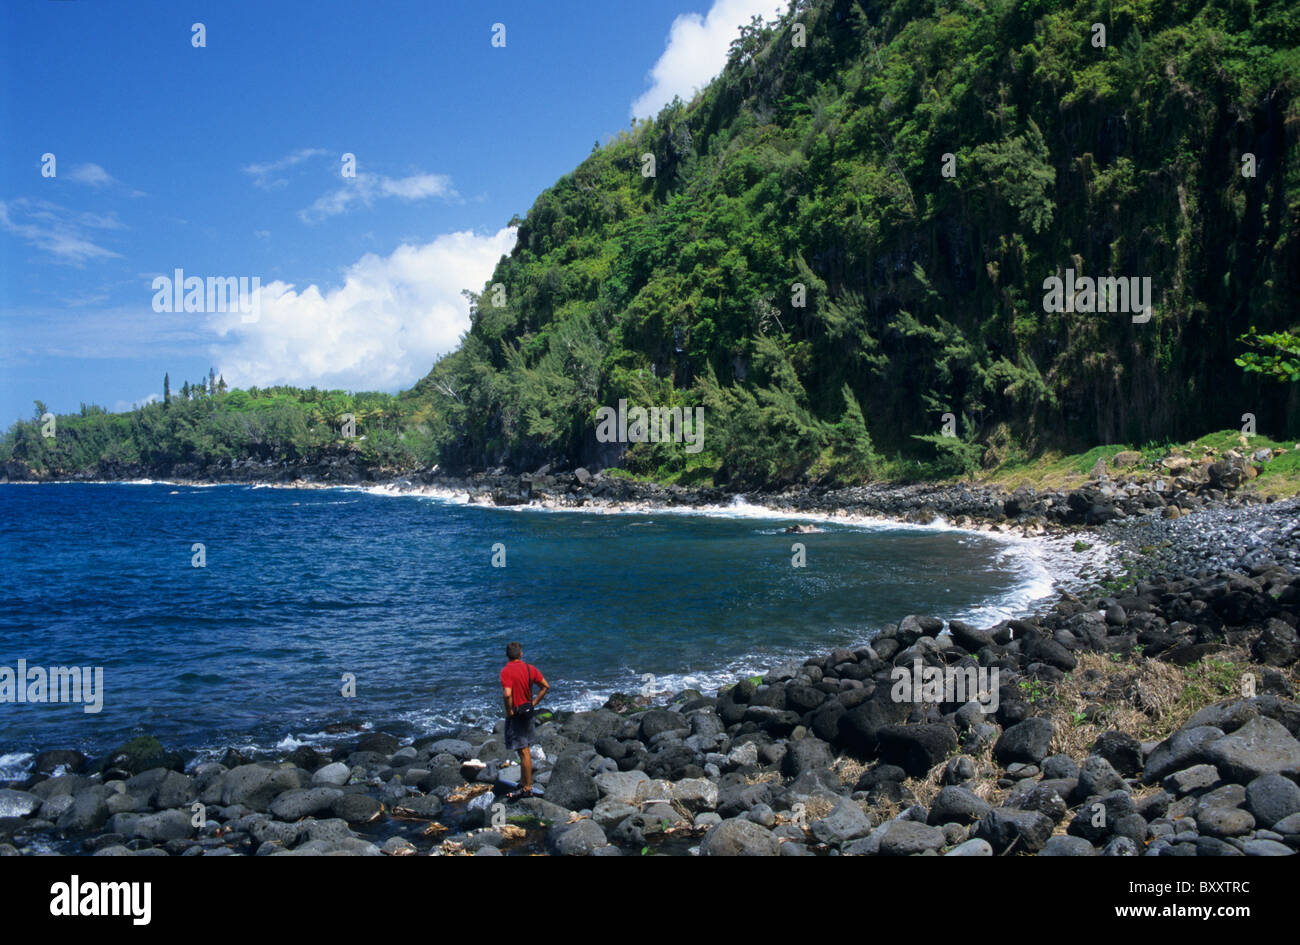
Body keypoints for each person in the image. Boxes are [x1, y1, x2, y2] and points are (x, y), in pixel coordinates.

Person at [499, 641, 548, 799]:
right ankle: (524, 782)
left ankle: (527, 787)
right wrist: (534, 703)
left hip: (517, 715)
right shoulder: (529, 668)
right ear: (521, 654)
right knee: (524, 749)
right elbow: (545, 686)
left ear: (507, 655)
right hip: (528, 712)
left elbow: (507, 694)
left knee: (524, 752)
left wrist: (509, 711)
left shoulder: (506, 671)